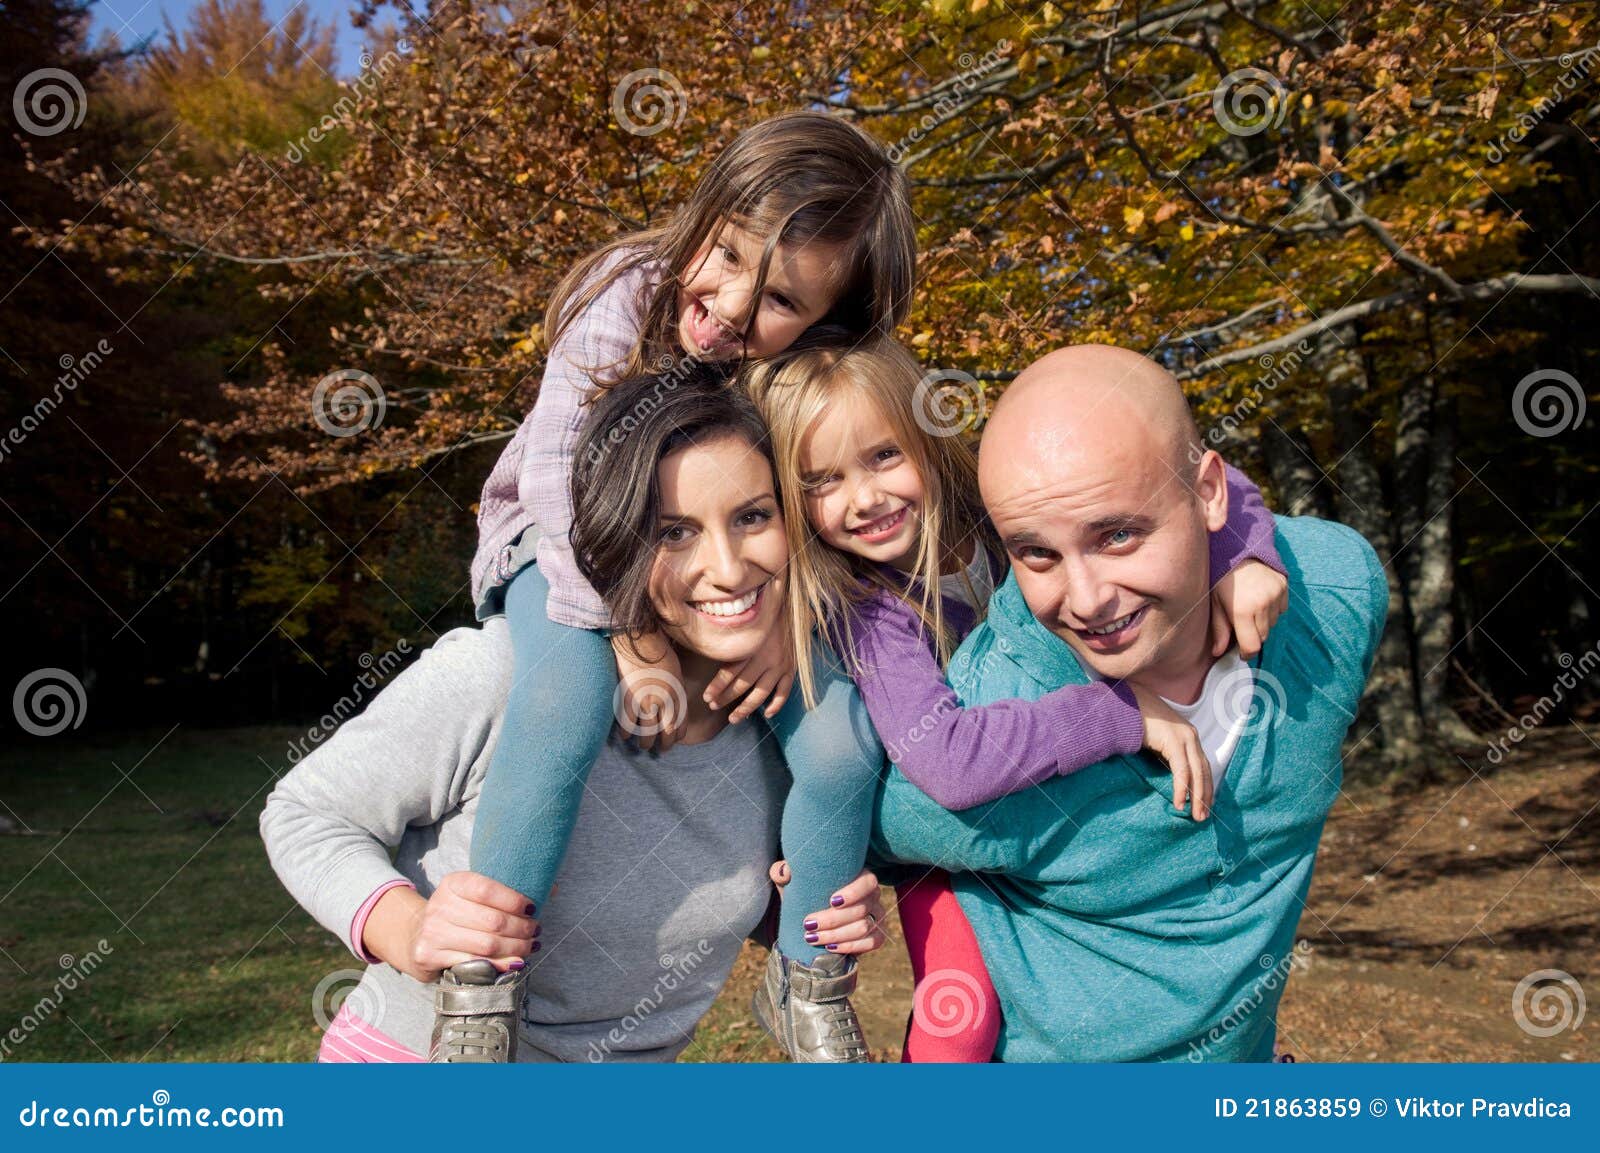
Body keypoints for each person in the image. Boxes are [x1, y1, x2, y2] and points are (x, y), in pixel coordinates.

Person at [260, 369, 887, 1062]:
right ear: (612, 543)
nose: (728, 566)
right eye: (673, 532)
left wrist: (811, 915)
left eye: (752, 516)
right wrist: (406, 928)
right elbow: (303, 812)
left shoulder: (791, 730)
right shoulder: (507, 675)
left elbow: (675, 900)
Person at [463, 110, 916, 1062]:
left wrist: (787, 618)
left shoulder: (782, 375)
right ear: (706, 212)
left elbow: (808, 509)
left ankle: (808, 983)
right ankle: (482, 992)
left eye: (782, 299)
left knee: (840, 738)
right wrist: (624, 628)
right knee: (563, 698)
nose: (733, 305)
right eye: (729, 253)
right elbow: (553, 475)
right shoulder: (627, 293)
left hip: (711, 587)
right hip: (552, 551)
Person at [743, 338, 1288, 1060]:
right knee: (959, 1021)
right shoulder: (865, 607)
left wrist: (1247, 551)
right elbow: (947, 762)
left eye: (882, 456)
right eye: (822, 480)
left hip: (1053, 809)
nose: (865, 497)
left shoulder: (998, 514)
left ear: (927, 437)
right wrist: (1125, 712)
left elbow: (1178, 470)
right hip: (933, 842)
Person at [870, 344, 1388, 1061]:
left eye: (1117, 534)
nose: (1086, 600)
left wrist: (1249, 546)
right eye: (1037, 554)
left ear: (1210, 494)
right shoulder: (992, 730)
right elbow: (876, 823)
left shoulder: (1336, 595)